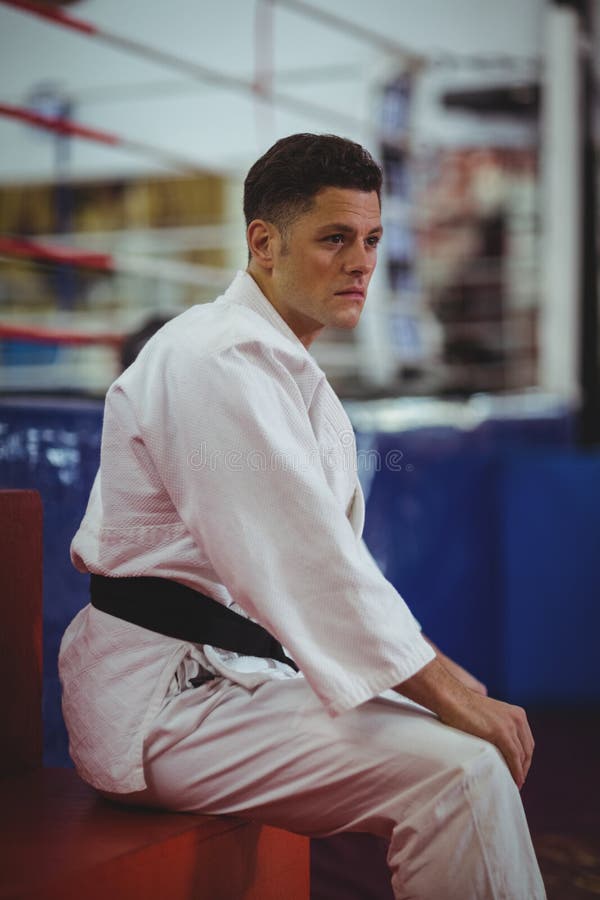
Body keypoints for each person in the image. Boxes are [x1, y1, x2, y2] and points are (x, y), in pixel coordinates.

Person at [59, 133, 546, 899]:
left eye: (372, 240)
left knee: (468, 726)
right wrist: (451, 695)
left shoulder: (283, 369)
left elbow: (332, 568)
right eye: (334, 238)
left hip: (237, 678)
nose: (361, 263)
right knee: (459, 773)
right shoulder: (213, 359)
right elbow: (305, 563)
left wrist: (455, 686)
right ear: (264, 244)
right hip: (166, 704)